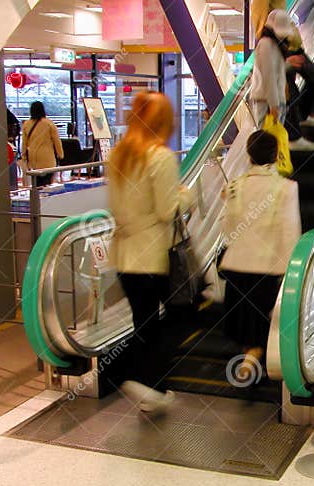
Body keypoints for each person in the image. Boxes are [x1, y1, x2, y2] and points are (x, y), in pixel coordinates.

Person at [108, 91, 193, 412]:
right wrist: (188, 195)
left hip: (124, 256)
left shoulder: (120, 155)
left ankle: (148, 388)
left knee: (144, 320)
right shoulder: (160, 157)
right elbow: (166, 210)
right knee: (178, 316)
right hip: (153, 256)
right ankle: (142, 380)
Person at [219, 130, 301, 377]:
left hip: (237, 266)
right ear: (276, 155)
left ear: (249, 154)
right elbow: (290, 230)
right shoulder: (287, 188)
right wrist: (292, 269)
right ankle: (252, 359)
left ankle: (249, 358)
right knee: (261, 322)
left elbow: (227, 227)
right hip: (267, 268)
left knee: (245, 322)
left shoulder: (235, 185)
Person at [251, 9, 314, 152]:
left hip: (274, 99)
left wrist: (287, 64)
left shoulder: (273, 44)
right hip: (267, 101)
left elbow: (273, 70)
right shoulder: (266, 45)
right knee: (267, 141)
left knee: (272, 142)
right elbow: (268, 77)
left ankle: (271, 169)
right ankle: (268, 170)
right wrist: (274, 104)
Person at [21, 101, 63, 187]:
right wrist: (60, 154)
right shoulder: (49, 124)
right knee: (47, 184)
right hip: (47, 158)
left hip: (33, 159)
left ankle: (37, 198)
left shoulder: (26, 124)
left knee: (37, 184)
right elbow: (57, 141)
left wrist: (24, 156)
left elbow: (24, 143)